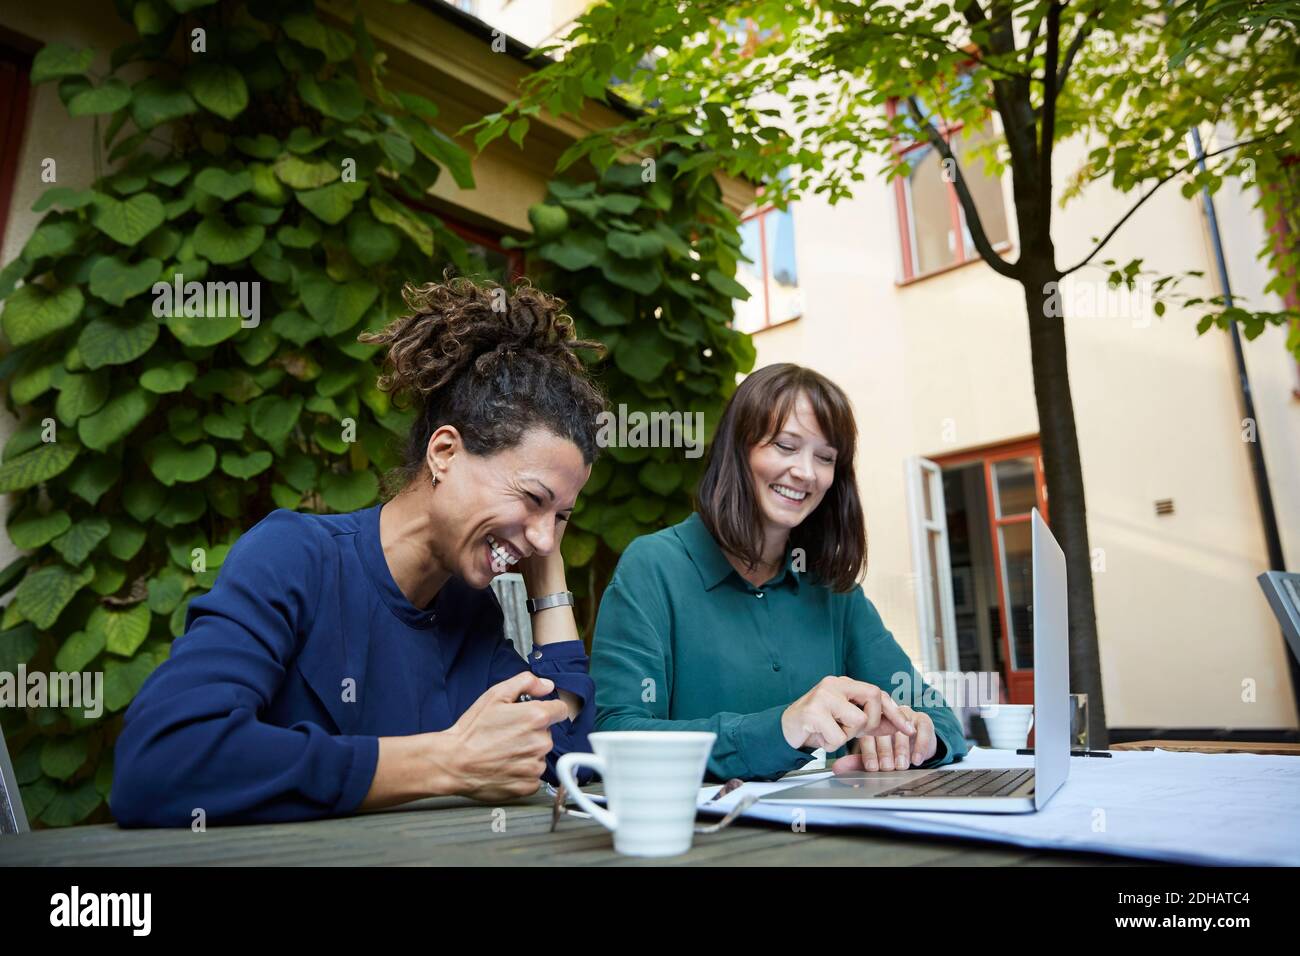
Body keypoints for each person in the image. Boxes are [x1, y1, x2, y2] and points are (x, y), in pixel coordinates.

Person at [111, 279, 605, 826]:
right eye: (533, 498)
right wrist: (444, 762)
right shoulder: (296, 558)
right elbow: (160, 763)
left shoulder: (468, 611)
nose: (542, 536)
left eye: (561, 516)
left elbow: (560, 761)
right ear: (444, 452)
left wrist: (548, 579)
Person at [591, 363, 969, 781]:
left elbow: (935, 714)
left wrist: (916, 736)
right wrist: (784, 728)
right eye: (786, 447)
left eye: (825, 457)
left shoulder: (831, 587)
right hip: (701, 837)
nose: (806, 472)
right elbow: (616, 735)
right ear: (738, 450)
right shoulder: (653, 567)